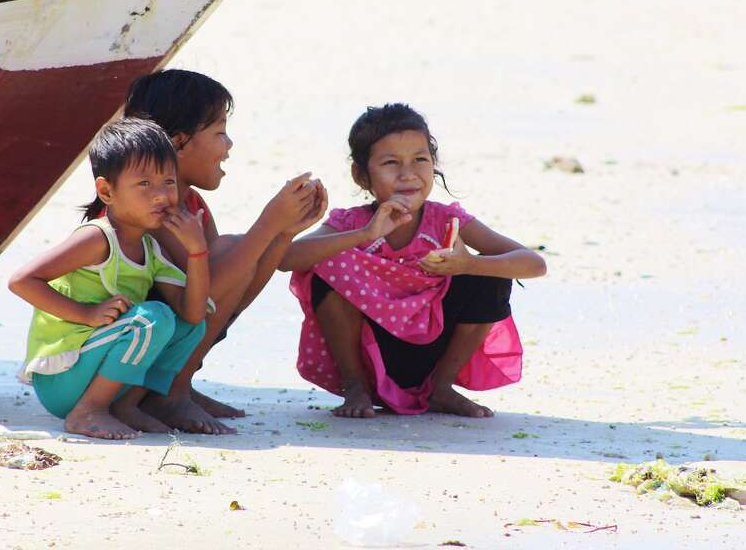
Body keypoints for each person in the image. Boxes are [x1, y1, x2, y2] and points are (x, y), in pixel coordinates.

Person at [279, 103, 546, 419]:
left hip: (432, 350)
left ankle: (441, 388)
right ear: (361, 175)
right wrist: (365, 234)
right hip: (374, 351)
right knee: (328, 262)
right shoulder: (352, 223)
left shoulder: (446, 220)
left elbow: (534, 263)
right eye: (391, 162)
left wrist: (468, 265)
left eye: (420, 159)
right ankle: (354, 386)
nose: (408, 174)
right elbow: (287, 258)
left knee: (492, 272)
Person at [123, 69, 327, 434]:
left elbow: (236, 288)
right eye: (220, 132)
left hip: (151, 342)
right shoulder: (151, 209)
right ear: (179, 143)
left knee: (234, 254)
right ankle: (168, 391)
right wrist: (268, 222)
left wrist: (283, 232)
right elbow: (208, 293)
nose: (229, 145)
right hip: (118, 354)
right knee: (232, 251)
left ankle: (177, 384)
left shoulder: (190, 204)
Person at [8, 118, 212, 440]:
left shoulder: (150, 249)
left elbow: (194, 314)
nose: (160, 195)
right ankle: (87, 411)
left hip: (98, 369)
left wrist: (197, 251)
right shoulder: (97, 238)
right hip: (64, 376)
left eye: (169, 182)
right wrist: (86, 314)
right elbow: (22, 281)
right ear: (106, 191)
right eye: (144, 184)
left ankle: (126, 405)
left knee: (189, 326)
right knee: (152, 317)